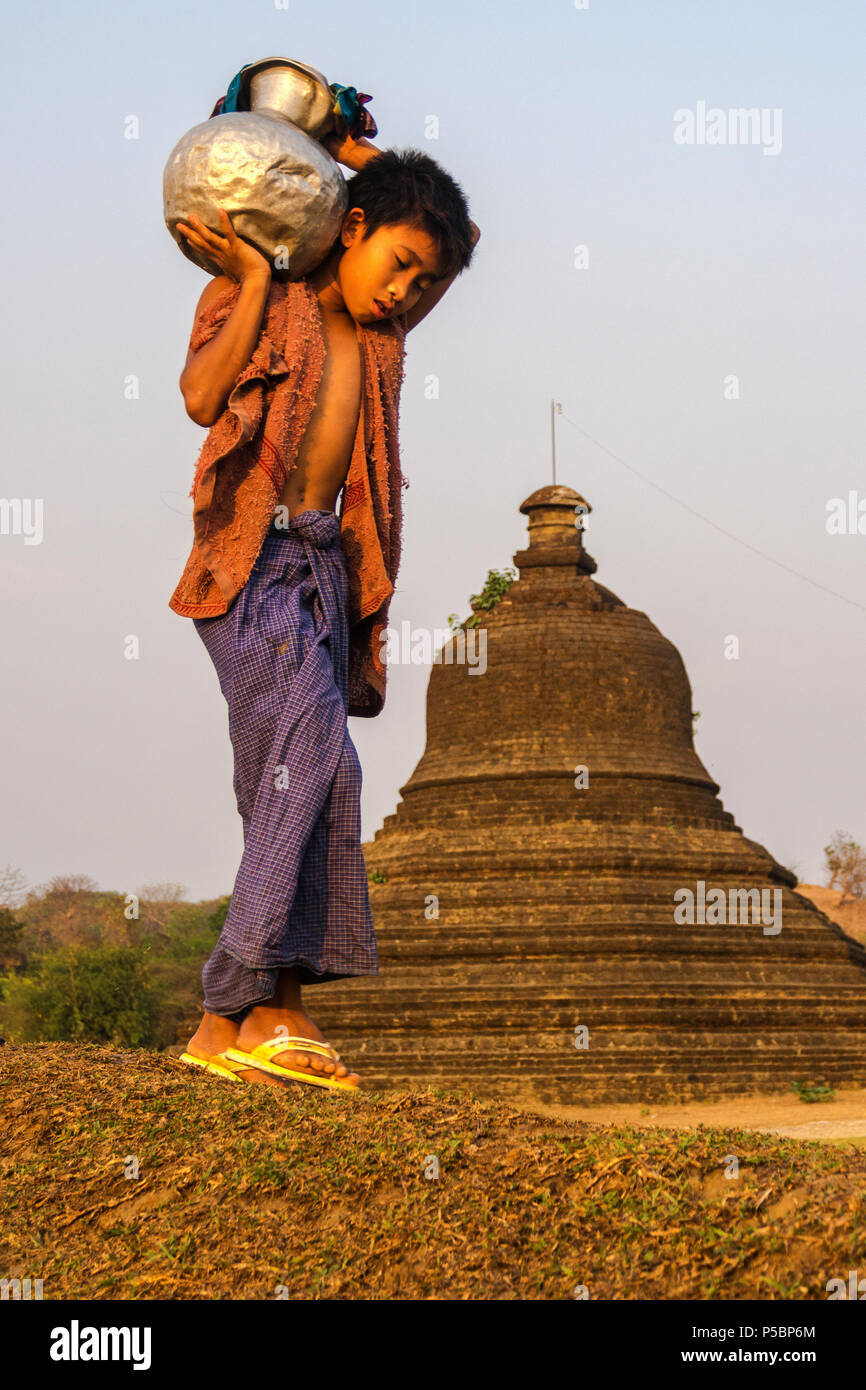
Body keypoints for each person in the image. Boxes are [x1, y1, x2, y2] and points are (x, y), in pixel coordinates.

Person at [172, 132, 479, 1093]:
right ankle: (254, 1002)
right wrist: (259, 278)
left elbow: (463, 230)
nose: (404, 293)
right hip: (248, 564)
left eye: (424, 284)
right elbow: (197, 397)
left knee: (318, 778)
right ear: (347, 228)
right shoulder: (269, 300)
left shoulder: (381, 337)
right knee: (312, 753)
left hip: (325, 582)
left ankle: (244, 1022)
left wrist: (357, 150)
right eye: (398, 265)